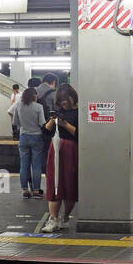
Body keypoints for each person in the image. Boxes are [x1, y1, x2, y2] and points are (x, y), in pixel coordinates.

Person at [40, 84, 79, 233]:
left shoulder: (78, 113)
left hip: (71, 150)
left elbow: (79, 133)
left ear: (72, 97)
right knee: (53, 183)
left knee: (69, 184)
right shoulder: (56, 113)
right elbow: (44, 131)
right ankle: (53, 218)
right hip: (55, 150)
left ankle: (65, 217)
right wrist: (53, 120)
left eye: (66, 99)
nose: (63, 103)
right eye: (60, 100)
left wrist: (65, 124)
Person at [12, 87, 47, 199]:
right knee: (36, 166)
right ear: (34, 96)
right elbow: (42, 123)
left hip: (23, 137)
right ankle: (36, 191)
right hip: (37, 137)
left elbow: (15, 122)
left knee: (24, 165)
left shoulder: (18, 105)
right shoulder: (39, 107)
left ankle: (25, 191)